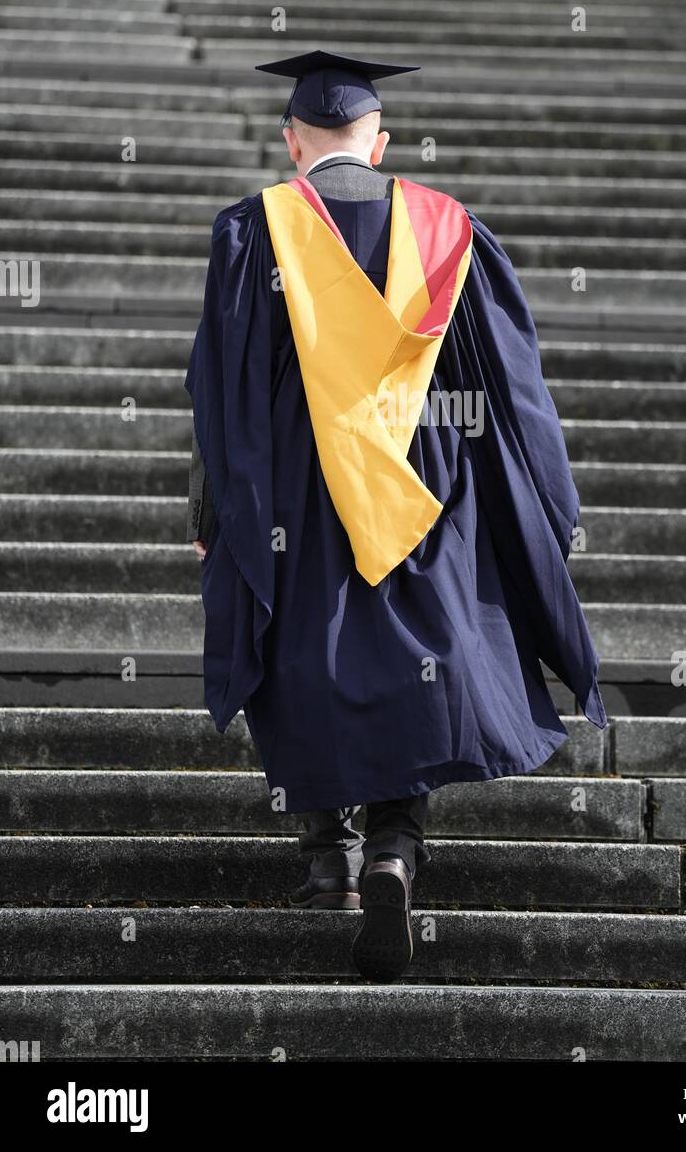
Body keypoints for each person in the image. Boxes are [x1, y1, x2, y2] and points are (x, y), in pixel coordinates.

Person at [185, 48, 607, 980]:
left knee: (309, 652)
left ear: (293, 141)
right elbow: (512, 386)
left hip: (298, 488)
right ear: (379, 143)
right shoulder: (449, 229)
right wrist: (544, 497)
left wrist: (217, 506)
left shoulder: (252, 232)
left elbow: (219, 394)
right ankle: (393, 850)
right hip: (427, 487)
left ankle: (328, 852)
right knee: (413, 660)